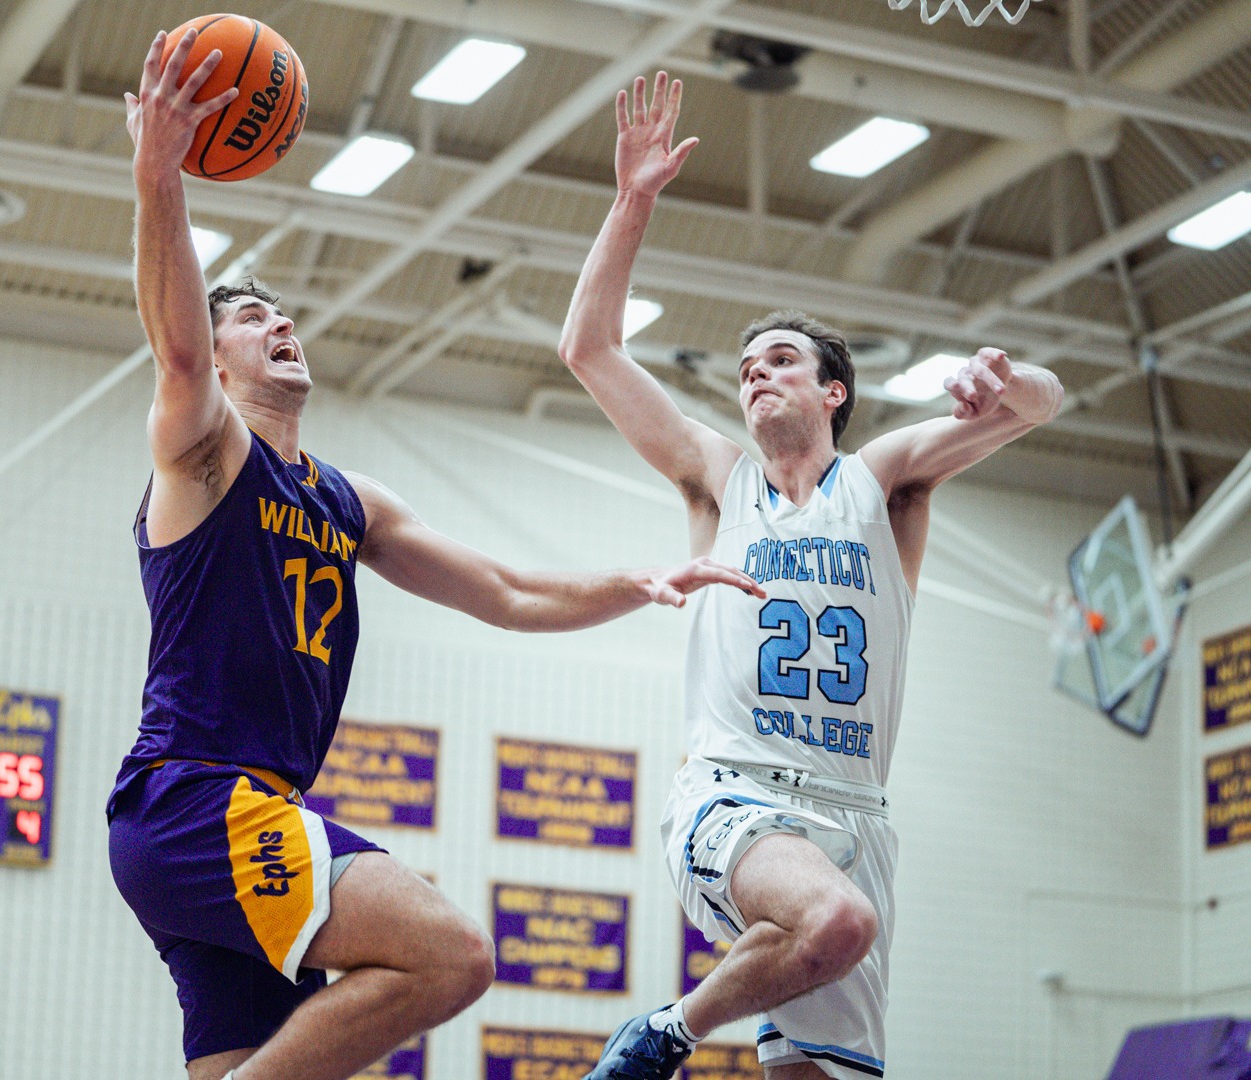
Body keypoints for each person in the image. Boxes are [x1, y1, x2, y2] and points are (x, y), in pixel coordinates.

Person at [107, 31, 767, 1080]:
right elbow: (178, 346)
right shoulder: (206, 456)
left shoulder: (348, 501)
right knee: (453, 955)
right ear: (222, 365)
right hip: (198, 801)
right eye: (252, 317)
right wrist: (160, 175)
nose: (280, 321)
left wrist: (641, 583)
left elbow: (505, 591)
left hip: (245, 817)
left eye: (283, 311)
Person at [559, 74, 1064, 1080]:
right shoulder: (720, 480)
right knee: (837, 920)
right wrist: (631, 201)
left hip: (857, 813)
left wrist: (1008, 381)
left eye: (781, 360)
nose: (757, 372)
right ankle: (663, 1035)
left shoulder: (884, 481)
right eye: (748, 366)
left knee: (817, 1060)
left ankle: (684, 1028)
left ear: (833, 392)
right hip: (734, 795)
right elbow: (590, 349)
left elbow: (1045, 405)